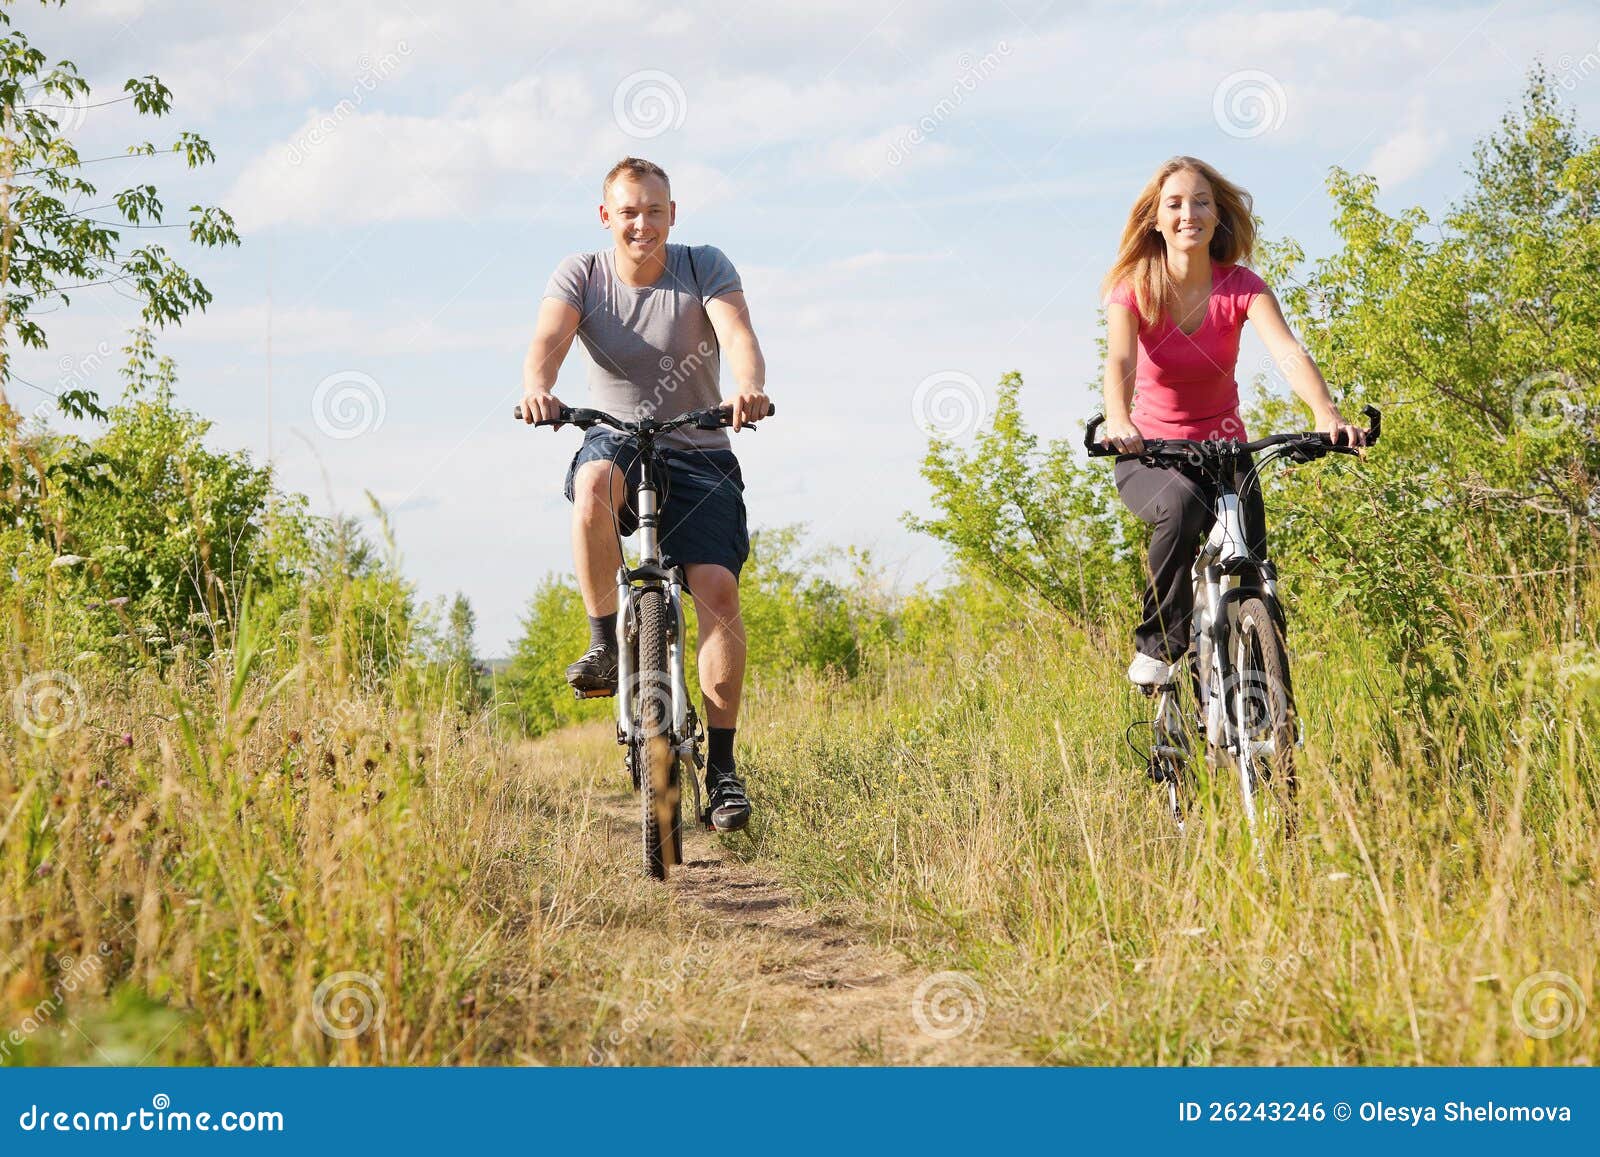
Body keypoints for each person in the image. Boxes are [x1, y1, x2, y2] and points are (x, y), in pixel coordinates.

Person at [519, 157, 771, 831]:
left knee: (718, 590)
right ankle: (605, 641)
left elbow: (739, 335)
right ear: (607, 217)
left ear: (672, 214)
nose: (642, 223)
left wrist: (743, 388)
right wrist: (539, 387)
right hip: (615, 437)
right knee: (594, 484)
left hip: (699, 444)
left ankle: (721, 769)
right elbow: (548, 339)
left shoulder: (702, 265)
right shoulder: (582, 273)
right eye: (628, 211)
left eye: (654, 210)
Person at [1098, 155, 1365, 686]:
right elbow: (1121, 361)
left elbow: (1287, 351)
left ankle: (1257, 688)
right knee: (1179, 505)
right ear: (1155, 218)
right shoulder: (1133, 287)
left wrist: (1325, 412)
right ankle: (1159, 645)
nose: (1188, 213)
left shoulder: (1241, 286)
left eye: (1201, 202)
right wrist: (1118, 418)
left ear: (1218, 215)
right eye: (1174, 204)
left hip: (1226, 450)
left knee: (1251, 569)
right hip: (1151, 453)